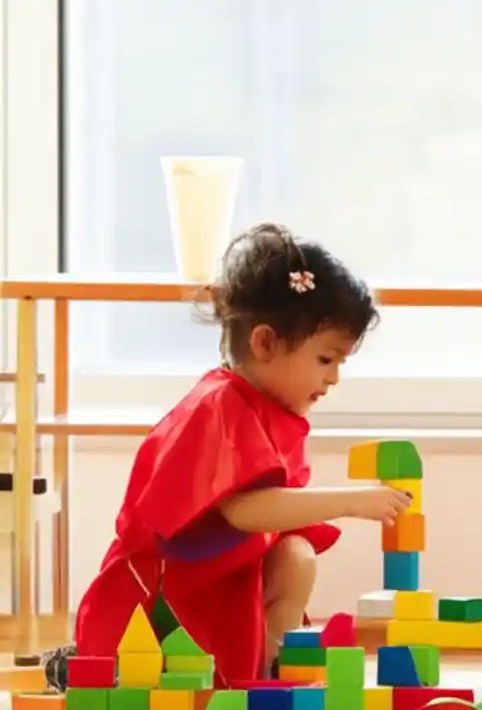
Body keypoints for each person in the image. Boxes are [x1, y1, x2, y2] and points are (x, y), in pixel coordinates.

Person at [54, 224, 414, 689]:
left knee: (297, 554)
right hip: (170, 593)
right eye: (326, 360)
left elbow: (274, 519)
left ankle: (272, 673)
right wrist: (350, 501)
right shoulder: (219, 405)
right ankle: (80, 664)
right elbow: (245, 509)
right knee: (141, 677)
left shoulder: (272, 410)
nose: (334, 378)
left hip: (227, 580)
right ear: (264, 343)